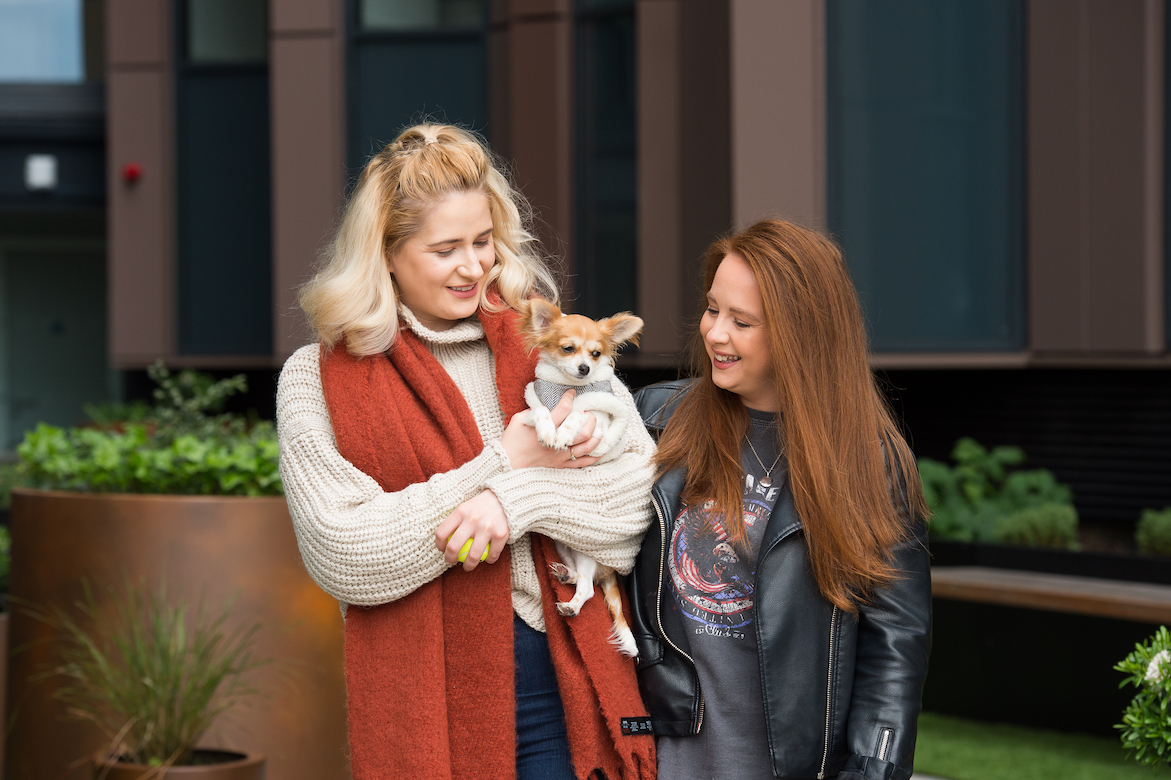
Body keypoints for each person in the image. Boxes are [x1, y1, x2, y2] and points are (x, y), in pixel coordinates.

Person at [276, 124, 656, 780]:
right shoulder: (315, 377)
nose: (475, 266)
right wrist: (504, 461)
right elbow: (345, 552)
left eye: (483, 241)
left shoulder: (550, 348)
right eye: (446, 249)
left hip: (559, 676)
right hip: (426, 694)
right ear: (385, 253)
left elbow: (634, 503)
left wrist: (509, 501)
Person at [630, 219, 931, 780]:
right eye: (712, 309)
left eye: (741, 321)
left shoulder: (870, 461)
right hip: (659, 758)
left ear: (800, 332)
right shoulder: (653, 419)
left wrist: (872, 770)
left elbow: (895, 644)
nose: (715, 333)